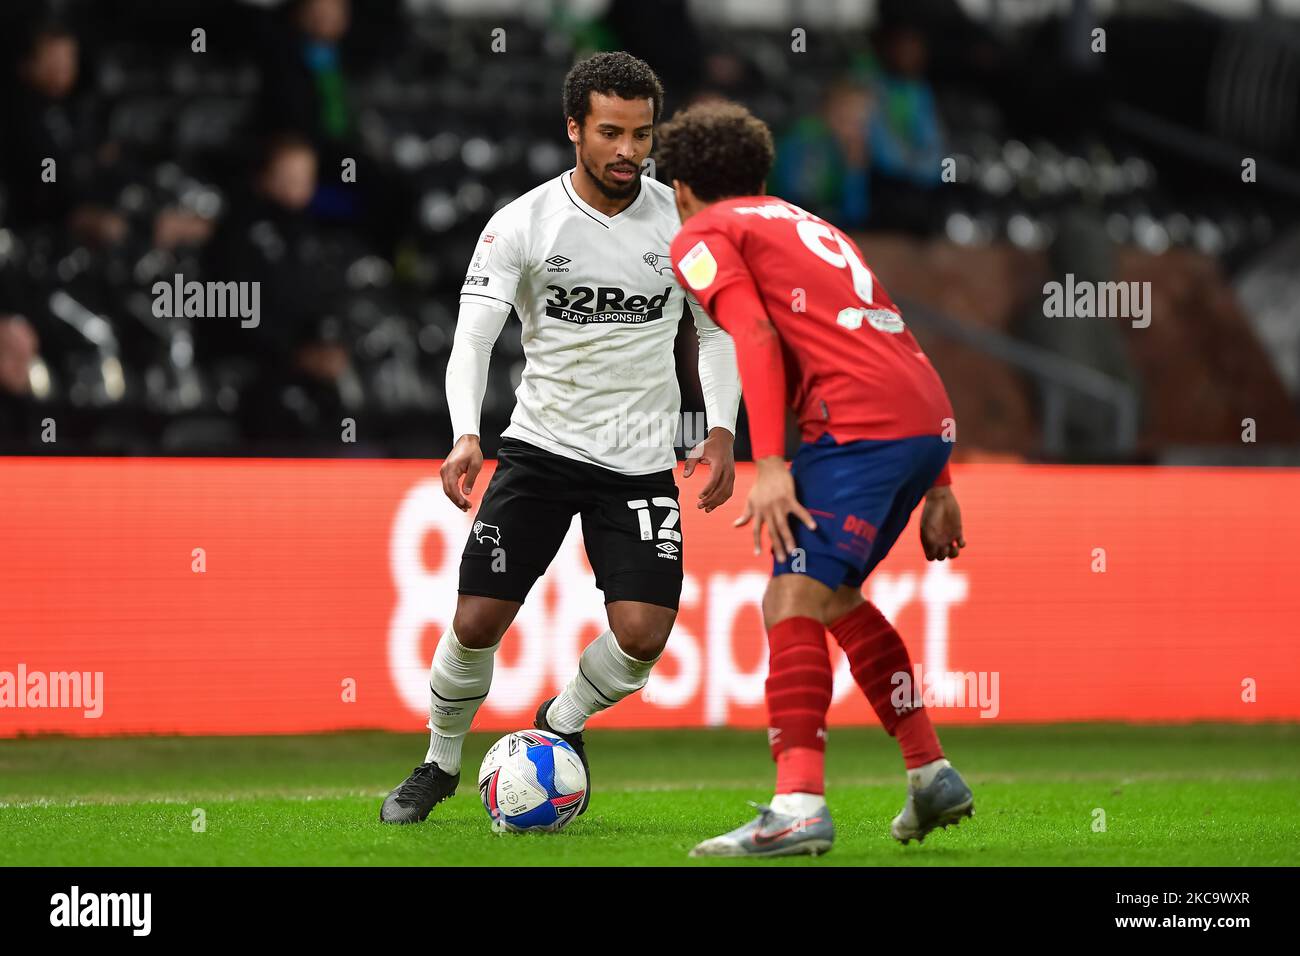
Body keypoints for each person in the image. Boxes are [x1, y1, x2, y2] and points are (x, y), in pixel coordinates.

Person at [379, 53, 741, 825]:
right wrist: (465, 434)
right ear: (574, 127)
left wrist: (720, 429)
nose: (628, 151)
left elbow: (716, 333)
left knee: (642, 637)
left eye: (642, 135)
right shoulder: (522, 222)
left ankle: (560, 723)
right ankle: (440, 762)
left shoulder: (682, 221)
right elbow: (472, 340)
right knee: (476, 621)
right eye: (610, 132)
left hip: (641, 461)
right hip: (541, 450)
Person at [658, 100, 972, 857]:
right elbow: (882, 326)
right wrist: (941, 477)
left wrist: (768, 464)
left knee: (789, 596)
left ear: (682, 188)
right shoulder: (811, 226)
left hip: (858, 427)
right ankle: (930, 771)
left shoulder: (702, 233)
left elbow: (755, 335)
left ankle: (797, 804)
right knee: (833, 597)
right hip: (920, 419)